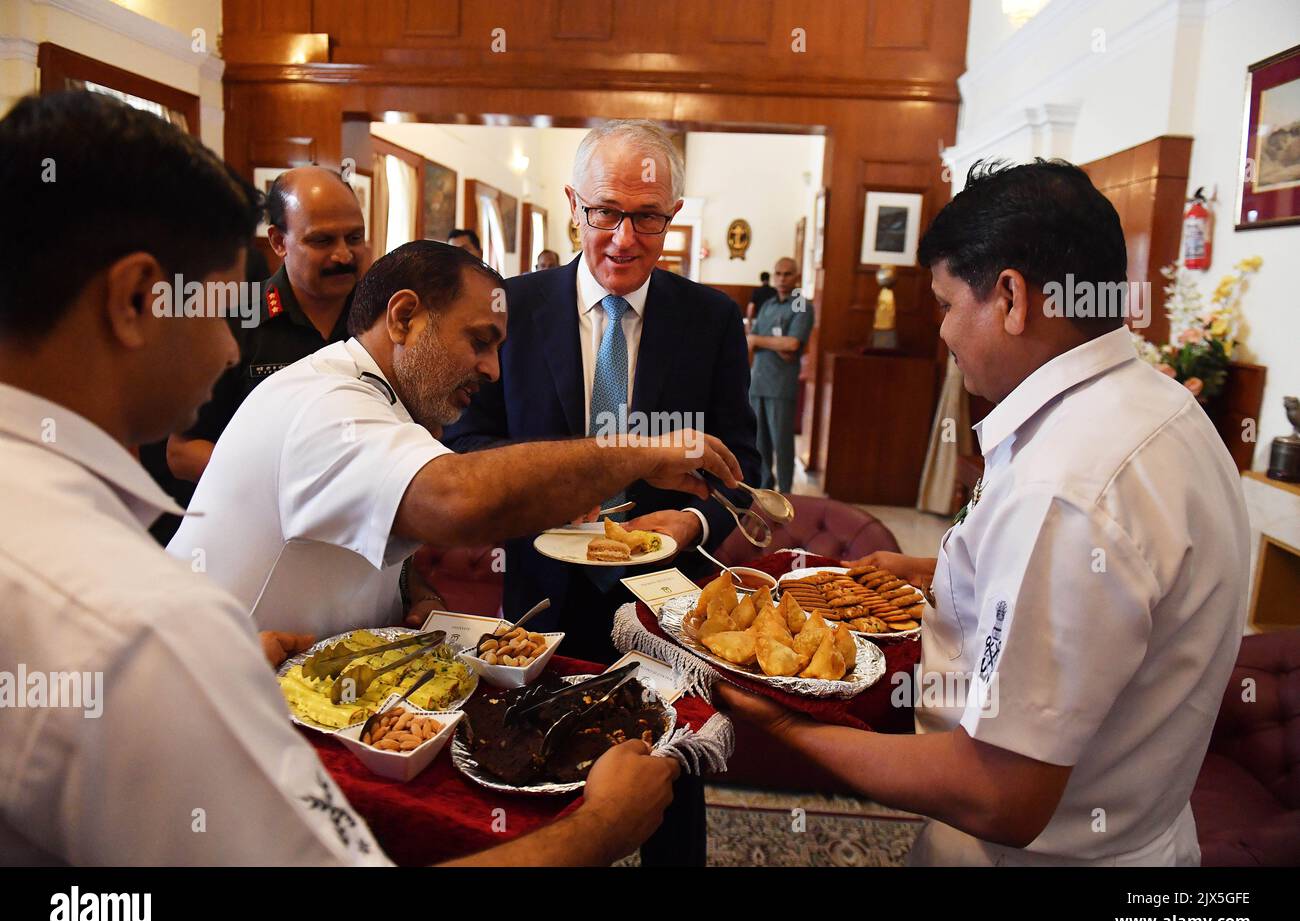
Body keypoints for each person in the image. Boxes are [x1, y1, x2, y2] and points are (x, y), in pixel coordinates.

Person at [0, 91, 679, 866]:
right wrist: (603, 829)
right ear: (133, 300)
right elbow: (456, 498)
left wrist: (408, 595)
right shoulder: (149, 623)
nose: (230, 350)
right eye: (219, 309)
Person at [717, 159, 1250, 866]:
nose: (941, 333)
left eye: (944, 304)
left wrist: (787, 729)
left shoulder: (1066, 488)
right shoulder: (1161, 406)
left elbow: (999, 793)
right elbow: (1105, 605)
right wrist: (939, 571)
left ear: (1010, 297)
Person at [167, 239, 743, 640]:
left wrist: (415, 594)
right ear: (404, 318)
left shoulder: (383, 402)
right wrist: (640, 452)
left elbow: (365, 527)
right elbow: (456, 500)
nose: (493, 370)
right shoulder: (327, 404)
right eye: (480, 341)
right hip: (209, 699)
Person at [443, 119, 761, 659]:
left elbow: (743, 464)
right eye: (606, 211)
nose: (625, 239)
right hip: (538, 600)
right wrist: (551, 484)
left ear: (673, 216)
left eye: (648, 217)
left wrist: (693, 522)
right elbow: (464, 446)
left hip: (665, 603)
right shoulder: (509, 310)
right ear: (573, 204)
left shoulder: (712, 320)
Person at [144, 166, 370, 544]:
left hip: (354, 534)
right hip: (247, 535)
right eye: (322, 241)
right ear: (279, 241)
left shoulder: (380, 322)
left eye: (355, 237)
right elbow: (182, 453)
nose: (343, 255)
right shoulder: (234, 320)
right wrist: (287, 485)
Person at [747, 256, 812, 493]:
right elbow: (751, 340)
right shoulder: (768, 305)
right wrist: (775, 343)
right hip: (758, 383)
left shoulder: (799, 304)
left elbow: (793, 344)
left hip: (780, 386)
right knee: (758, 444)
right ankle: (764, 490)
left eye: (788, 274)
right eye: (779, 274)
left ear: (796, 277)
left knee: (782, 443)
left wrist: (761, 341)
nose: (782, 279)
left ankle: (786, 492)